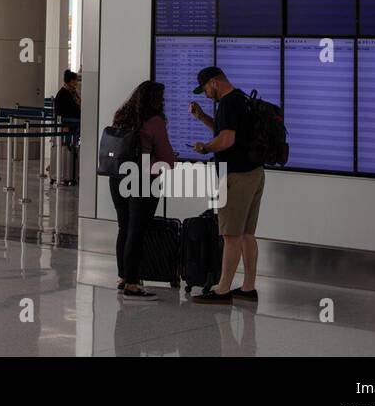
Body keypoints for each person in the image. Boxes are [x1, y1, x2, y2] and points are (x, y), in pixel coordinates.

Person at [187, 65, 263, 305]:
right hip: (254, 172)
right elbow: (228, 133)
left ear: (214, 83)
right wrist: (202, 117)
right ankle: (248, 287)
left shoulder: (229, 103)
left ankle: (222, 290)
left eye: (206, 90)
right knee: (247, 234)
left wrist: (205, 147)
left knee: (230, 234)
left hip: (235, 175)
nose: (207, 95)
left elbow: (227, 140)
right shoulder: (240, 99)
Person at [107, 80, 176, 301]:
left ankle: (123, 277)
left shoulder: (121, 116)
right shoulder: (155, 122)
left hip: (117, 178)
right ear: (156, 100)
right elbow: (167, 159)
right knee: (137, 230)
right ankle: (133, 284)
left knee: (124, 228)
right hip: (143, 181)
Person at [54, 69, 82, 185]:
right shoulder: (63, 94)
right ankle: (66, 173)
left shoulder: (72, 92)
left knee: (73, 146)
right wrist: (63, 125)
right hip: (68, 123)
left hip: (74, 122)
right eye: (75, 80)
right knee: (68, 147)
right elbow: (60, 111)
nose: (77, 82)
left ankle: (72, 172)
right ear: (70, 81)